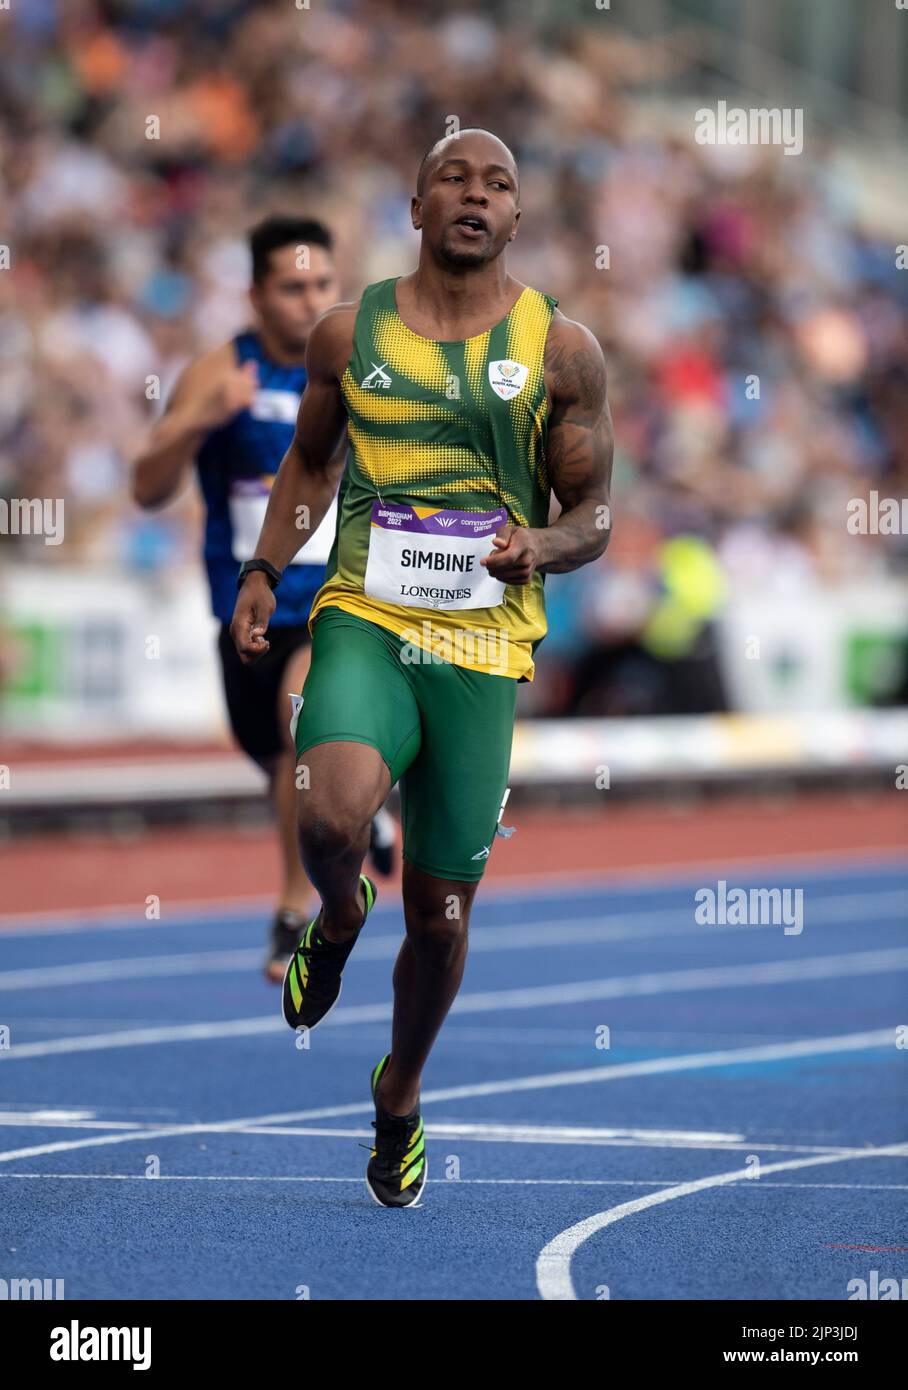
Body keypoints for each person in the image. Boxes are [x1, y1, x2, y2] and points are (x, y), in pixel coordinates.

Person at [230, 131, 613, 1207]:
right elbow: (311, 461)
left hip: (483, 647)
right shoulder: (347, 334)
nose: (475, 194)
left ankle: (397, 1095)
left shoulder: (561, 350)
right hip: (366, 614)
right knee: (329, 810)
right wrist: (266, 567)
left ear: (516, 217)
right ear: (414, 205)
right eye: (455, 177)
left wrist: (537, 545)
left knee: (442, 920)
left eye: (497, 183)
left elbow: (595, 510)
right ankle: (337, 917)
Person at [132, 215, 395, 982]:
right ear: (254, 294)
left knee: (299, 722)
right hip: (248, 613)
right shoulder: (221, 372)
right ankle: (368, 805)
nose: (310, 300)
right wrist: (199, 421)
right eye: (292, 287)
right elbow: (148, 489)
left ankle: (292, 910)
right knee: (280, 754)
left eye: (322, 285)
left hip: (342, 603)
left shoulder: (363, 368)